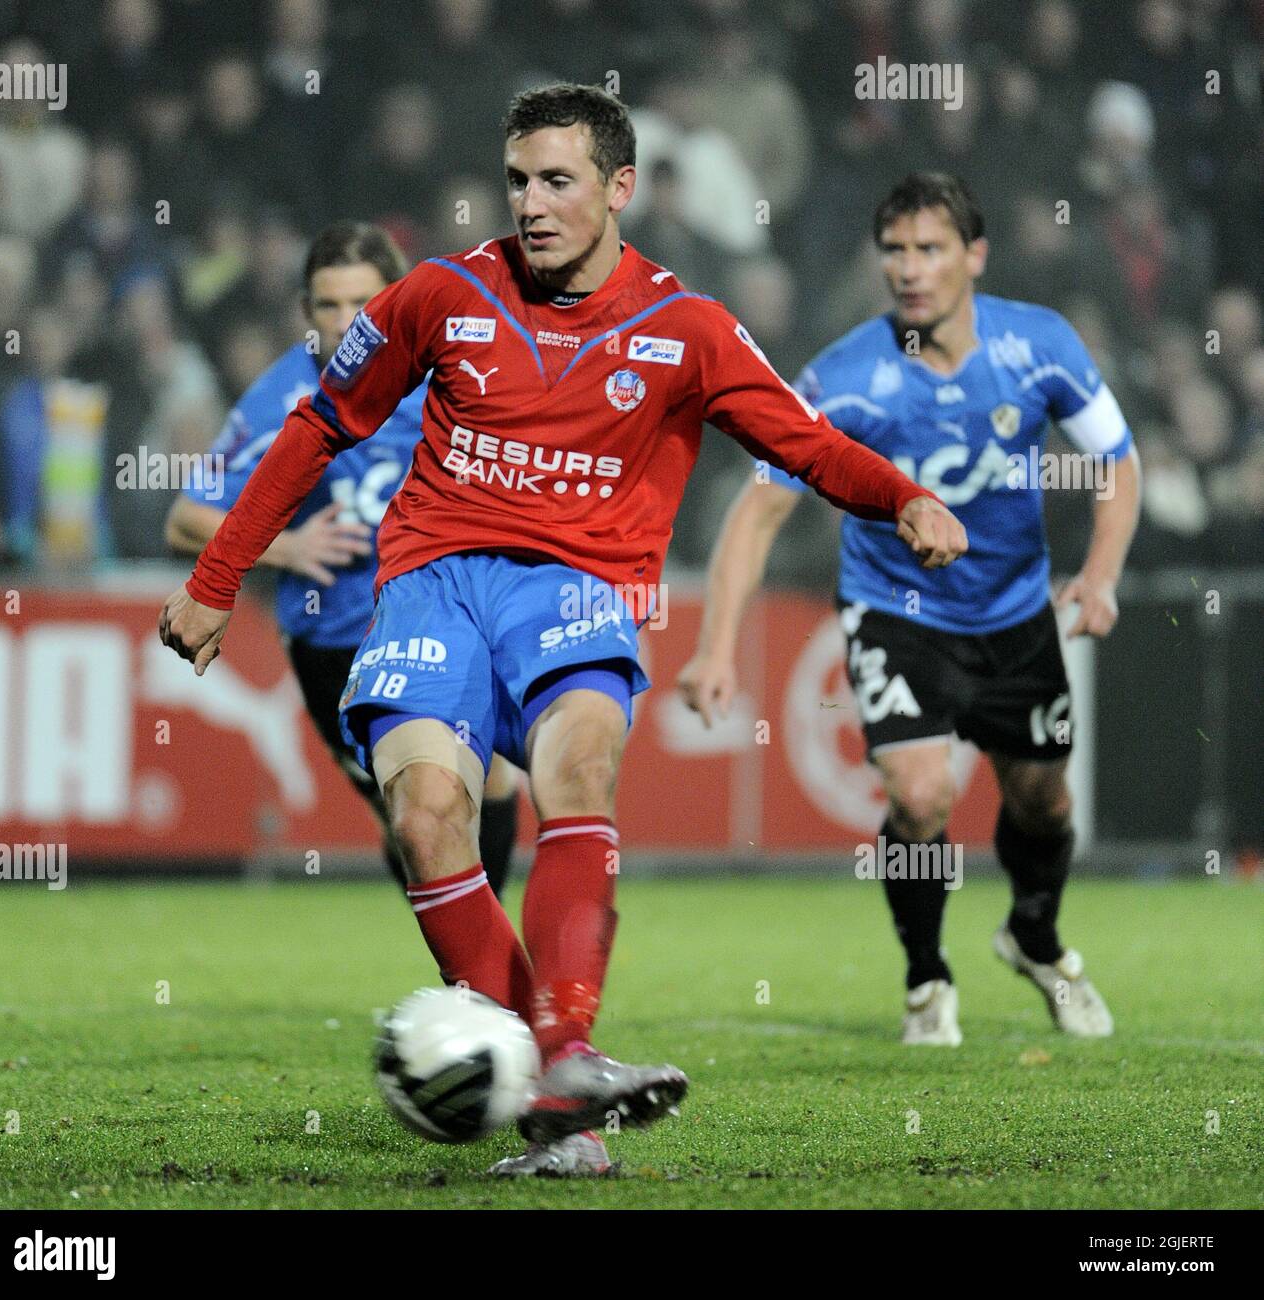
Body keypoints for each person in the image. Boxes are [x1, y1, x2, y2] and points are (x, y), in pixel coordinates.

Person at [159, 87, 965, 1176]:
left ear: (619, 188)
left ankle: (564, 1052)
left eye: (558, 181)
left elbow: (805, 442)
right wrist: (217, 578)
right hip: (434, 581)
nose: (531, 205)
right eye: (517, 181)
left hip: (580, 585)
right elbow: (317, 428)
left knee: (575, 773)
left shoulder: (686, 328)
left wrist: (903, 496)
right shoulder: (439, 295)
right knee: (429, 817)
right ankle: (557, 1089)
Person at [678, 173, 1141, 1047]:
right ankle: (927, 977)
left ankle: (1034, 939)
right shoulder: (847, 376)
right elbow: (759, 508)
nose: (909, 269)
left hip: (1014, 615)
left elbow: (1118, 461)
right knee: (920, 795)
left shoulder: (1041, 346)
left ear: (975, 255)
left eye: (930, 249)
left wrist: (1102, 573)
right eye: (894, 250)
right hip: (898, 613)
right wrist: (716, 648)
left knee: (1044, 804)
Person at [164, 220, 519, 893]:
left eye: (363, 302)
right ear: (305, 313)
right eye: (328, 305)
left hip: (441, 620)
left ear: (398, 298)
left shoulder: (445, 374)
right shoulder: (284, 398)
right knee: (414, 821)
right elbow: (184, 518)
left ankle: (480, 982)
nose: (345, 321)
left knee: (489, 781)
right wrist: (289, 544)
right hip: (336, 649)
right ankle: (472, 973)